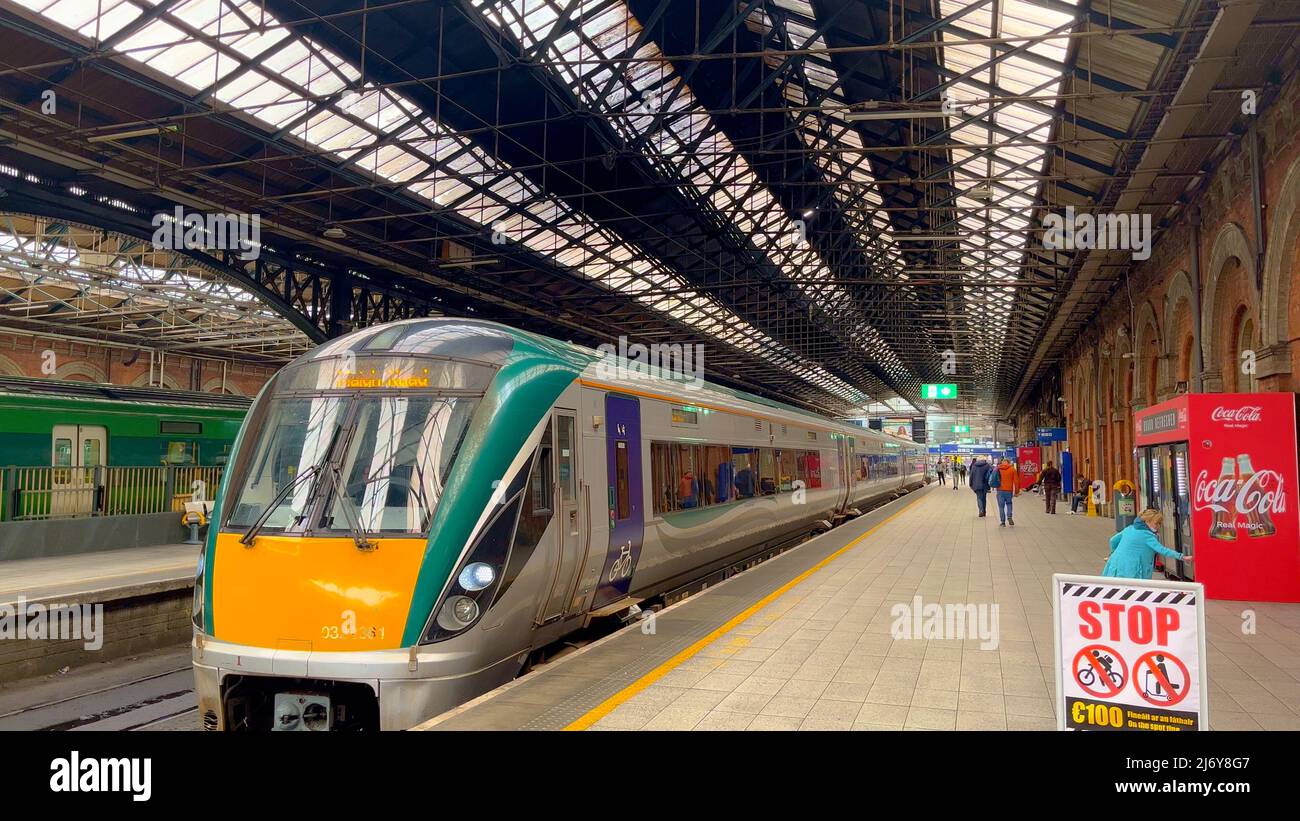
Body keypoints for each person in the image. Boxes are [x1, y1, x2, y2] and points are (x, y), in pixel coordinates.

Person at [1102, 508, 1183, 579]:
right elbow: (1162, 550)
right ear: (1147, 521)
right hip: (1132, 571)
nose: (1158, 526)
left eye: (1160, 523)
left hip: (1115, 565)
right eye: (1156, 523)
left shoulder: (1130, 528)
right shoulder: (1147, 536)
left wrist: (1113, 553)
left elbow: (1112, 540)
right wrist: (1181, 556)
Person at [994, 457, 1019, 527]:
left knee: (1001, 506)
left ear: (1002, 462)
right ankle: (1009, 517)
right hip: (1009, 490)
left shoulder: (998, 469)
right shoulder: (1012, 469)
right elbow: (1016, 481)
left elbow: (993, 477)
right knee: (1009, 504)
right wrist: (1016, 491)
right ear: (1009, 462)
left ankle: (1002, 522)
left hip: (1000, 490)